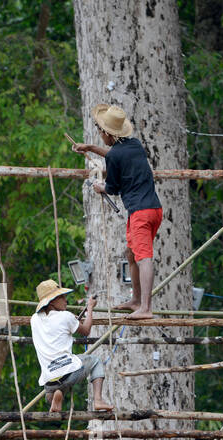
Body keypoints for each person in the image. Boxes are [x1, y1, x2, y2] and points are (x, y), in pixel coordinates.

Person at [73, 104, 164, 320]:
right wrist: (92, 148)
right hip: (154, 209)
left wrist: (99, 187)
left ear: (107, 133)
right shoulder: (134, 145)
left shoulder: (115, 156)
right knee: (131, 254)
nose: (99, 134)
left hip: (140, 212)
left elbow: (111, 188)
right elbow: (116, 155)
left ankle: (146, 307)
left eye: (99, 130)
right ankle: (136, 300)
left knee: (143, 257)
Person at [31, 279, 113, 414]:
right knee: (95, 361)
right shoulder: (65, 317)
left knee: (51, 390)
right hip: (69, 372)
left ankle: (54, 398)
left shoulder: (34, 319)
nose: (65, 300)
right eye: (62, 297)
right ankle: (98, 400)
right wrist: (90, 308)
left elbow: (56, 323)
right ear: (51, 302)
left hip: (49, 380)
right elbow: (86, 330)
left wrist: (71, 319)